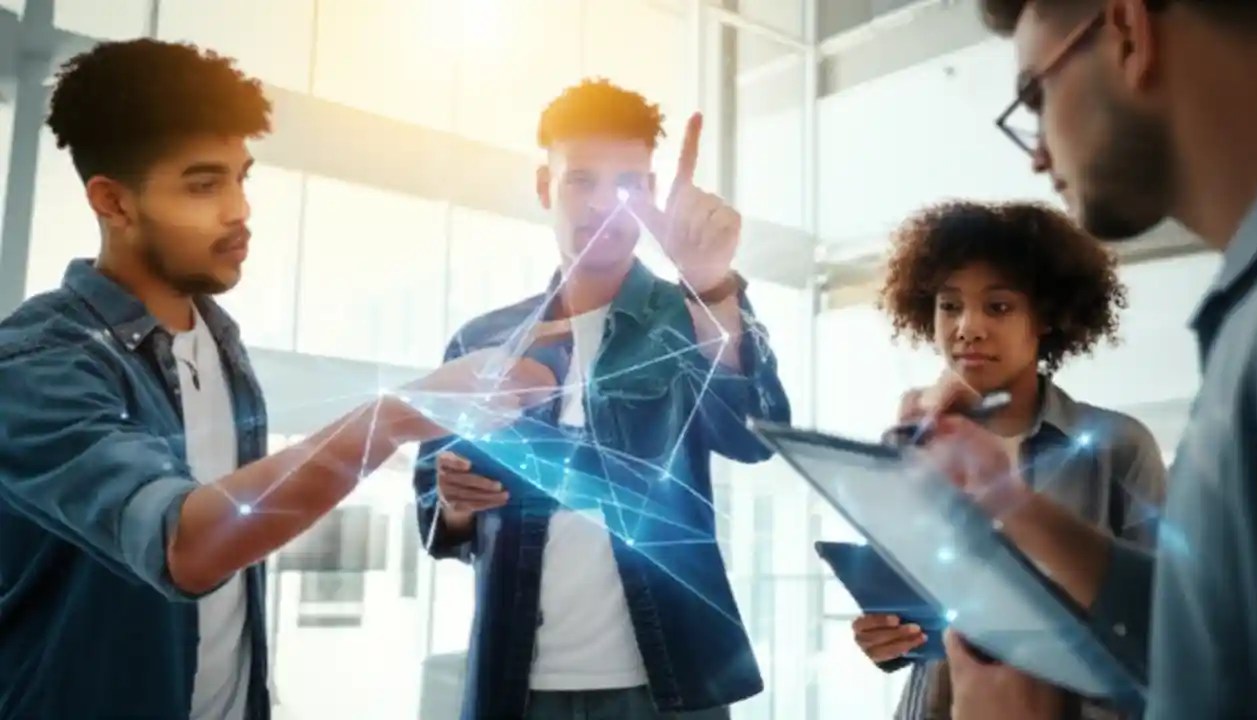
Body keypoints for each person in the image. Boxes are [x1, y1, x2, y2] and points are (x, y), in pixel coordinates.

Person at [0, 39, 552, 720]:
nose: (239, 210)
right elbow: (187, 547)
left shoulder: (219, 345)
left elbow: (237, 564)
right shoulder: (39, 363)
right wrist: (402, 414)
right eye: (204, 185)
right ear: (113, 203)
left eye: (242, 177)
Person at [902, 1, 1257, 717]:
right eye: (951, 304)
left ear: (1130, 31)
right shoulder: (1252, 311)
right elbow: (1218, 632)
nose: (1039, 152)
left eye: (1035, 95)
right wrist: (1002, 499)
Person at [413, 79, 791, 720]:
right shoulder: (484, 339)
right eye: (580, 181)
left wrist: (709, 285)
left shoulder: (691, 312)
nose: (602, 206)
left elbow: (755, 435)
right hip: (517, 686)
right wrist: (452, 504)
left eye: (627, 185)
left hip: (668, 683)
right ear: (543, 186)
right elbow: (436, 502)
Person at [851, 200, 1166, 719]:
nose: (967, 327)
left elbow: (1163, 630)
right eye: (950, 306)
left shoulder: (1118, 447)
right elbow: (907, 607)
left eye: (998, 307)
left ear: (1046, 317)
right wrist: (888, 638)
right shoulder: (913, 443)